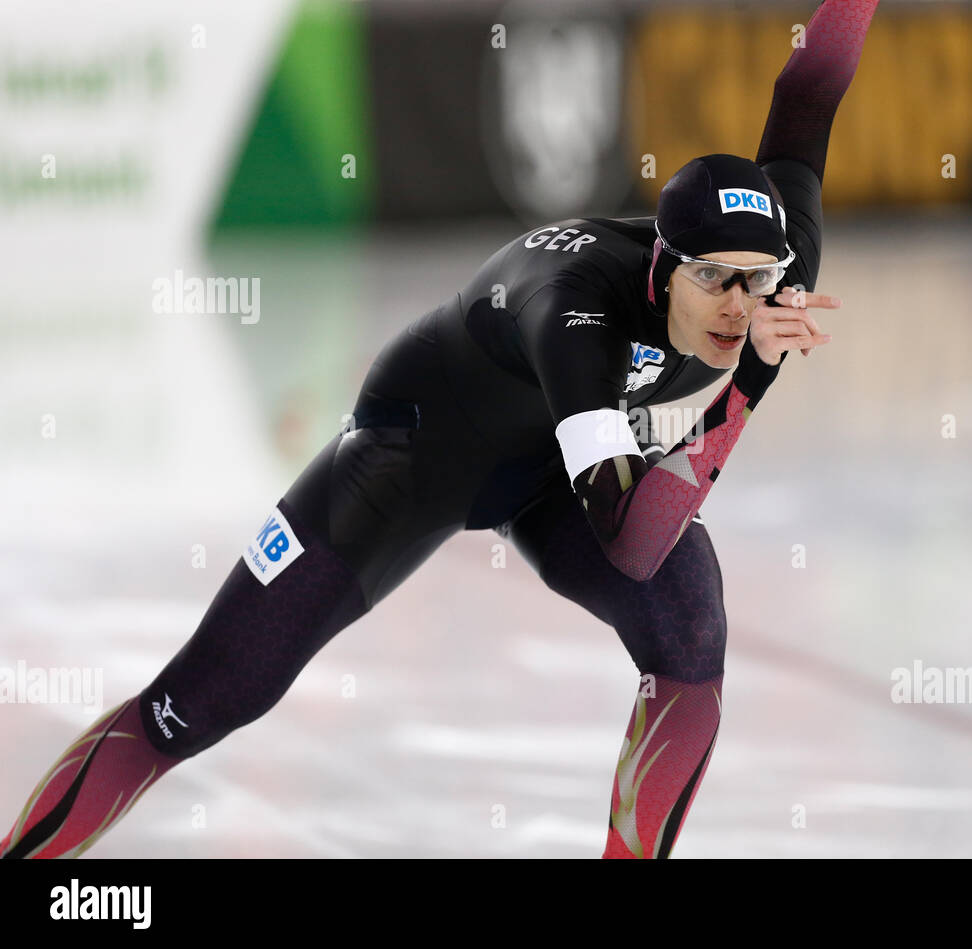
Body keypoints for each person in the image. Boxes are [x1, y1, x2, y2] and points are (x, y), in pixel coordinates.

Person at [2, 0, 878, 860]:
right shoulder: (572, 311)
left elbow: (807, 94)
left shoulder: (776, 269)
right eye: (715, 279)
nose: (739, 307)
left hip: (557, 467)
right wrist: (751, 378)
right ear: (660, 266)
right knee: (202, 698)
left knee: (691, 632)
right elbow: (630, 540)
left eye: (757, 282)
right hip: (417, 452)